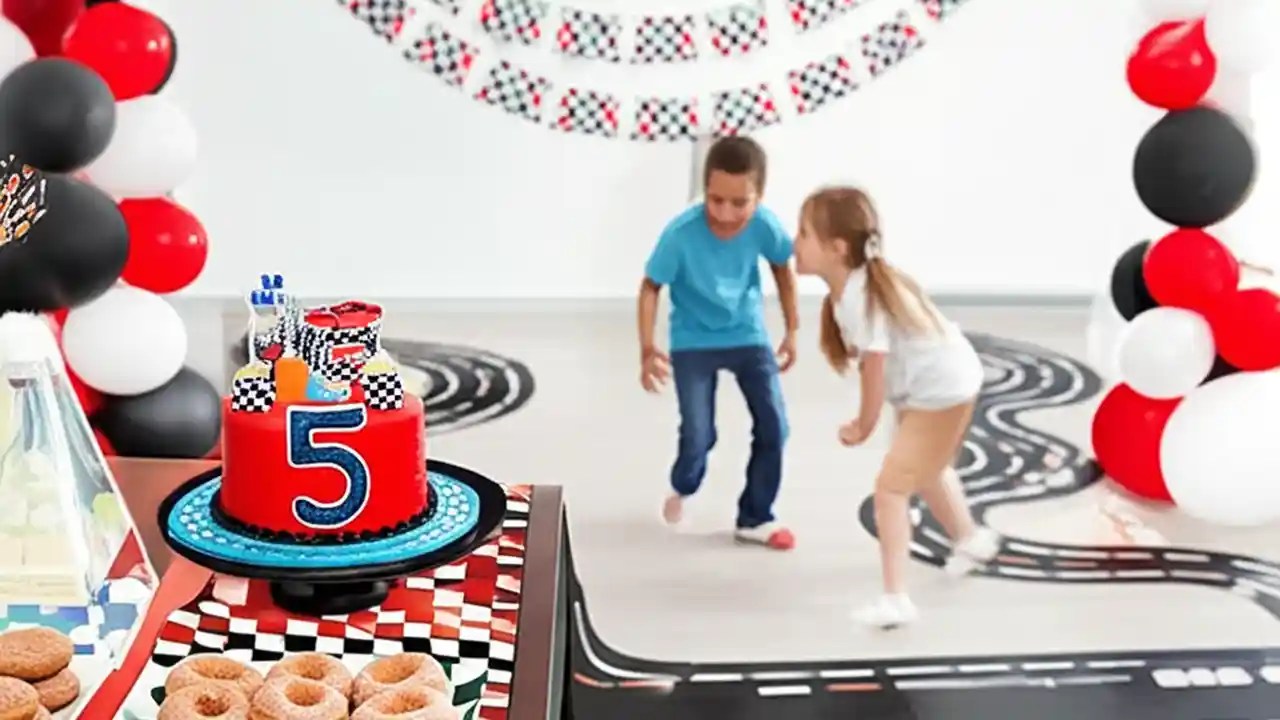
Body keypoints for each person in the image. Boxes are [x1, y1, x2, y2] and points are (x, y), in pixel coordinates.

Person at [792, 186, 999, 627]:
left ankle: (896, 598)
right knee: (926, 469)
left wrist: (864, 424)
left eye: (804, 233)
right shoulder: (851, 291)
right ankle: (970, 539)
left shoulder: (861, 297)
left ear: (836, 248)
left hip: (940, 389)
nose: (795, 242)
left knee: (891, 490)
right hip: (937, 384)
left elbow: (875, 367)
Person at [637, 136, 799, 551]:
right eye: (716, 200)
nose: (726, 213)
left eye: (739, 203)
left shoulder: (764, 225)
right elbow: (651, 286)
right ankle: (683, 484)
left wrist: (792, 329)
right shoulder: (680, 234)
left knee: (775, 426)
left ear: (759, 196)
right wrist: (647, 348)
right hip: (693, 341)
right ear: (705, 189)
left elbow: (782, 266)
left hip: (747, 334)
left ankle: (755, 517)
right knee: (699, 434)